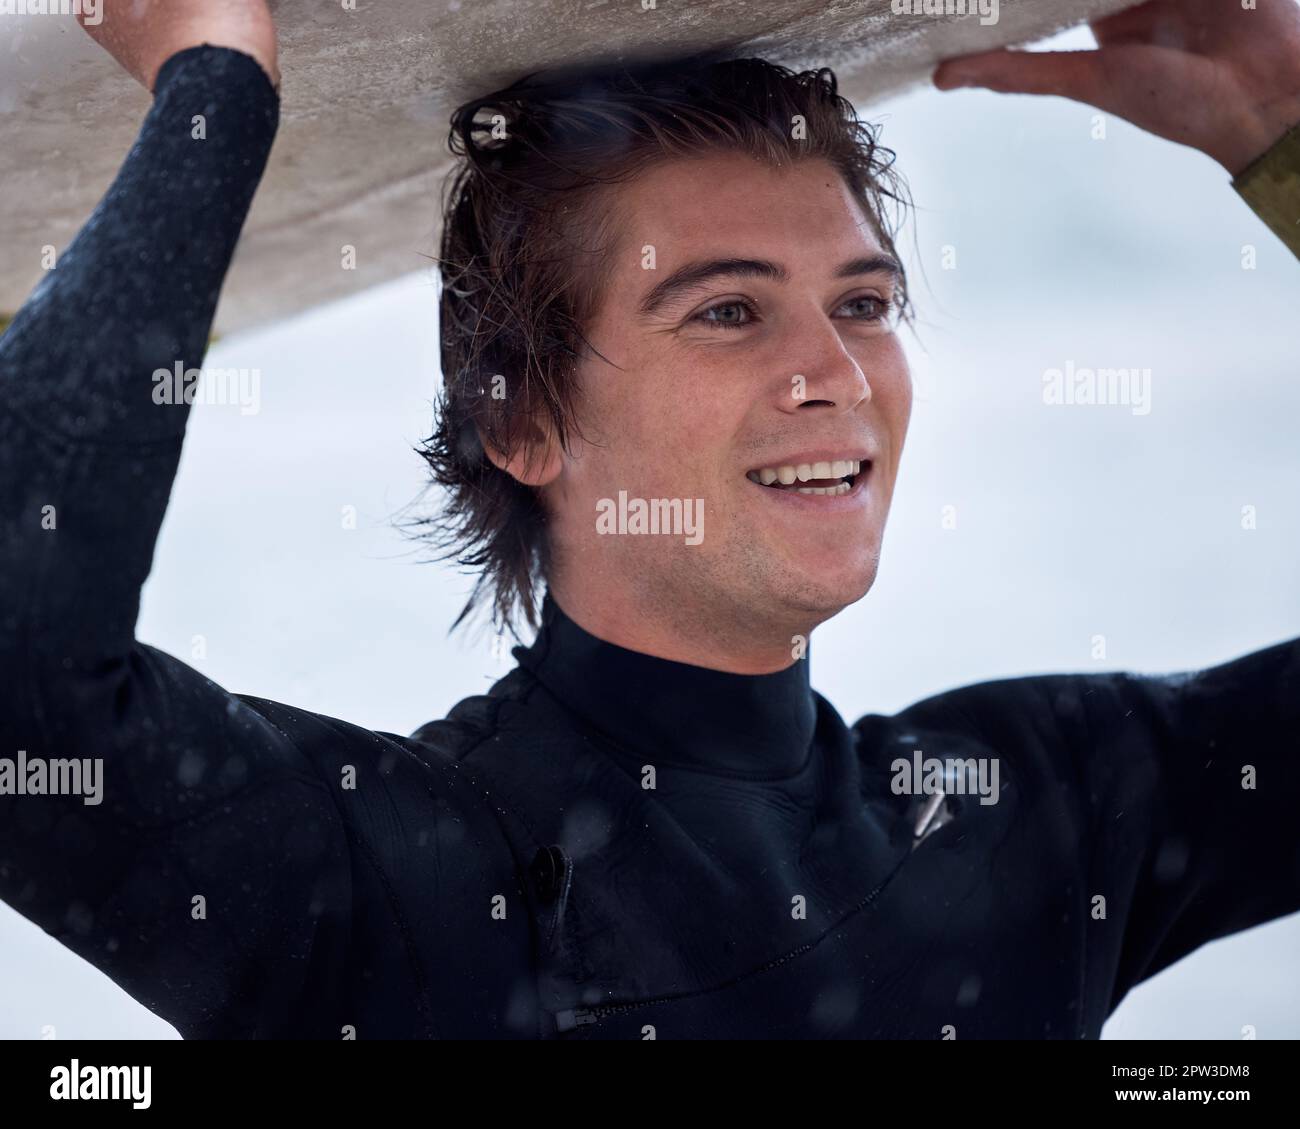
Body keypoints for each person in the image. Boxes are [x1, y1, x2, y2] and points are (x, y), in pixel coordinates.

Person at [0, 0, 1296, 1039]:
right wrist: (215, 94)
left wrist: (1282, 130)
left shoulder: (1033, 815)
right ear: (522, 425)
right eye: (728, 310)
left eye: (861, 302)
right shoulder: (419, 890)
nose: (835, 374)